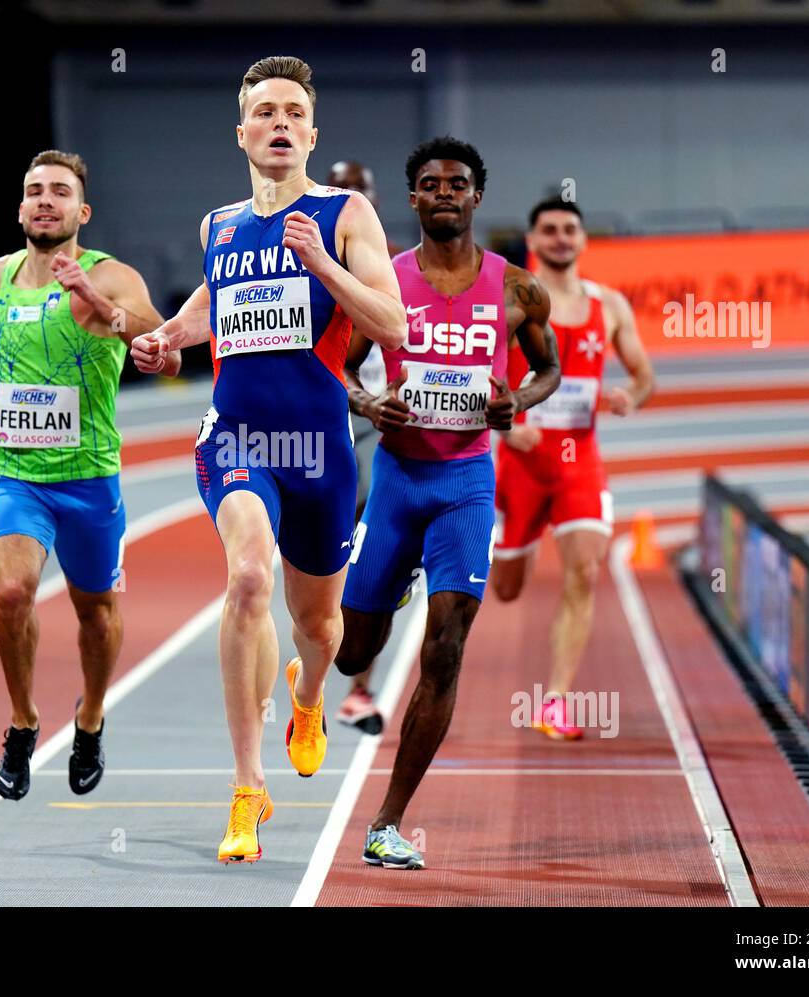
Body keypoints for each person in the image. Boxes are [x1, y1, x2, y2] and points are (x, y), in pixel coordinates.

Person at [131, 56, 405, 864]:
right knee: (247, 576)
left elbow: (391, 323)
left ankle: (310, 696)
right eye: (266, 112)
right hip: (239, 437)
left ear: (312, 134)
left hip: (319, 448)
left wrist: (321, 262)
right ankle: (248, 787)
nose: (280, 122)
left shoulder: (344, 210)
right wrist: (164, 339)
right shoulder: (221, 225)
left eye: (294, 112)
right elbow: (209, 307)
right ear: (243, 132)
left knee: (319, 625)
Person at [0, 150, 165, 798]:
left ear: (83, 211)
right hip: (13, 472)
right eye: (35, 191)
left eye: (59, 192)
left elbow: (157, 338)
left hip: (89, 477)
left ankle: (91, 717)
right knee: (13, 592)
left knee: (96, 612)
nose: (45, 200)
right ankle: (22, 721)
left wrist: (97, 304)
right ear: (21, 208)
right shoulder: (1, 274)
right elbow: (0, 341)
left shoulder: (112, 274)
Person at [334, 138, 560, 869]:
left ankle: (387, 820)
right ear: (413, 199)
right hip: (398, 481)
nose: (443, 193)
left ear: (476, 197)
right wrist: (368, 403)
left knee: (447, 647)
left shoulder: (518, 288)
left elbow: (549, 367)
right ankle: (389, 585)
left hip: (467, 484)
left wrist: (517, 401)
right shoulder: (385, 280)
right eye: (429, 184)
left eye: (456, 184)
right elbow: (334, 366)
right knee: (351, 657)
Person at [491, 197, 655, 739]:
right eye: (550, 230)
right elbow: (473, 369)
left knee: (585, 569)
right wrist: (509, 425)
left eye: (570, 229)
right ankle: (512, 544)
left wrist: (631, 395)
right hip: (519, 464)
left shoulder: (609, 306)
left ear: (583, 240)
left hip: (579, 462)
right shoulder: (510, 299)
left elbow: (643, 375)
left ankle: (555, 702)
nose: (561, 238)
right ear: (533, 241)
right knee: (508, 587)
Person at [325, 159, 401, 737]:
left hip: (377, 423)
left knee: (371, 542)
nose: (352, 197)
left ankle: (357, 690)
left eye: (361, 189)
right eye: (342, 188)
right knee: (319, 558)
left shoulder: (395, 260)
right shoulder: (302, 254)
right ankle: (315, 680)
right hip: (319, 422)